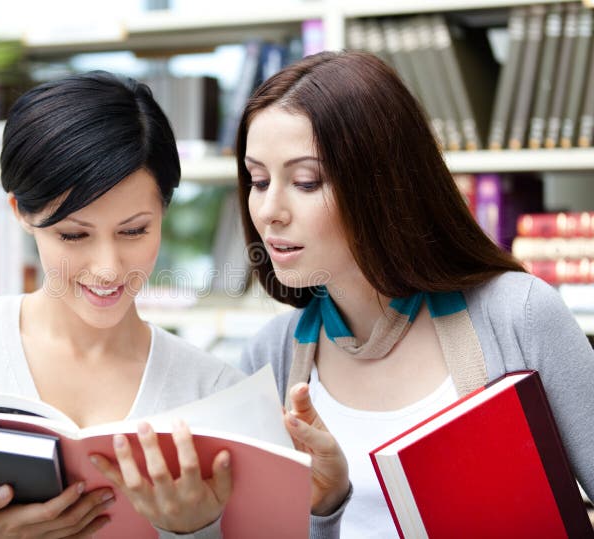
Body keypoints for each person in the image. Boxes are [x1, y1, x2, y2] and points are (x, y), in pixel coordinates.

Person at [235, 50, 594, 538]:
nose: (269, 210)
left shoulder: (520, 314)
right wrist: (324, 511)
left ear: (382, 185)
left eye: (305, 181)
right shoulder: (270, 356)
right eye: (257, 179)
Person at [0, 71, 245, 539]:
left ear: (163, 212)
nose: (108, 269)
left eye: (134, 231)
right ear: (20, 214)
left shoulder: (215, 392)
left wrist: (194, 532)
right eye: (73, 235)